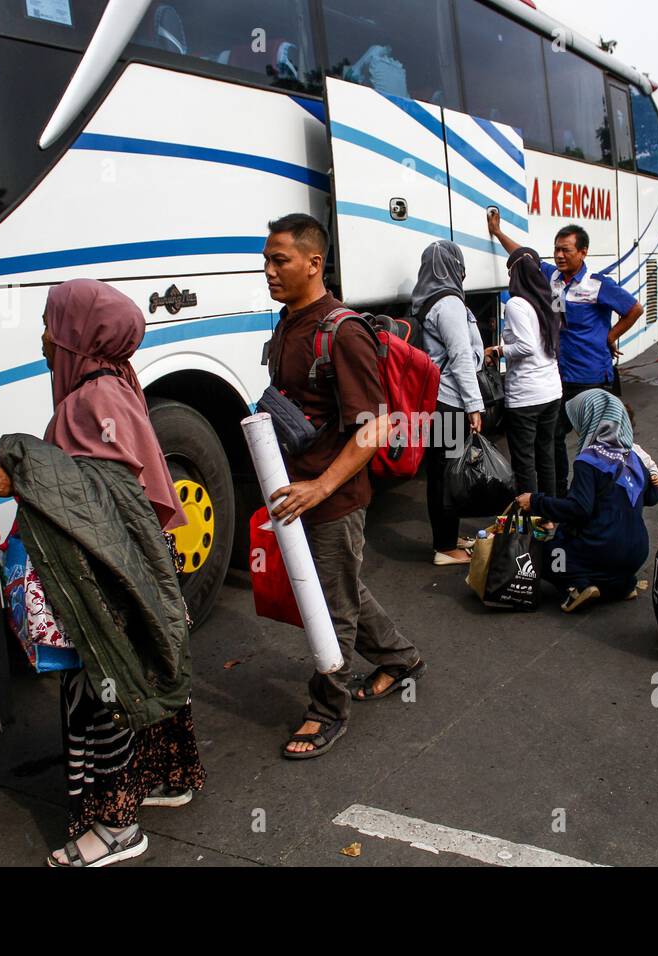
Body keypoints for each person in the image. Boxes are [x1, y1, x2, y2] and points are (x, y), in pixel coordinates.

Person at [0, 278, 204, 867]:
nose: (45, 339)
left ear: (79, 335)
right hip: (136, 566)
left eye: (53, 326)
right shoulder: (116, 383)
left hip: (106, 577)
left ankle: (117, 830)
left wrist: (19, 476)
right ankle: (165, 779)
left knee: (101, 694)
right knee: (143, 669)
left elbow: (98, 494)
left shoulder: (88, 400)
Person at [262, 213, 424, 759]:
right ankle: (400, 657)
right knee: (342, 587)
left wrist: (320, 488)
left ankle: (327, 709)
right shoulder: (288, 322)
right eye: (266, 259)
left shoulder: (343, 330)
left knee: (332, 607)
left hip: (334, 496)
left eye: (279, 259)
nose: (269, 270)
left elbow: (375, 428)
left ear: (314, 262)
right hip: (299, 488)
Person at [486, 210, 643, 493]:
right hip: (561, 377)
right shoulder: (553, 278)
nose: (559, 255)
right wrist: (498, 233)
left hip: (592, 376)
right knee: (554, 439)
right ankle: (560, 493)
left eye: (566, 250)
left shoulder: (597, 284)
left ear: (583, 252)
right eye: (556, 249)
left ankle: (600, 494)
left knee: (596, 442)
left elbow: (634, 309)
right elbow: (524, 257)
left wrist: (610, 337)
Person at [516, 390, 658, 612]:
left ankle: (577, 586)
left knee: (544, 555)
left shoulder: (589, 460)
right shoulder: (634, 457)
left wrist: (535, 501)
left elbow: (578, 509)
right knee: (602, 545)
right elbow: (652, 497)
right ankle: (622, 585)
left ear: (590, 419)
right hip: (637, 552)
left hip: (604, 548)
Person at [410, 240, 485, 566]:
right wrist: (474, 404)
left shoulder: (424, 300)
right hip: (450, 401)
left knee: (443, 473)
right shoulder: (449, 304)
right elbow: (461, 358)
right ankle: (444, 548)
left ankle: (449, 537)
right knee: (446, 476)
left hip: (436, 400)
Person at [484, 246, 562, 497]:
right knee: (546, 456)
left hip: (527, 396)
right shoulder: (549, 298)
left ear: (515, 273)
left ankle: (531, 520)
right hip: (551, 391)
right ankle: (547, 517)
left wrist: (497, 350)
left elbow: (526, 346)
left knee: (525, 461)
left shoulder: (517, 304)